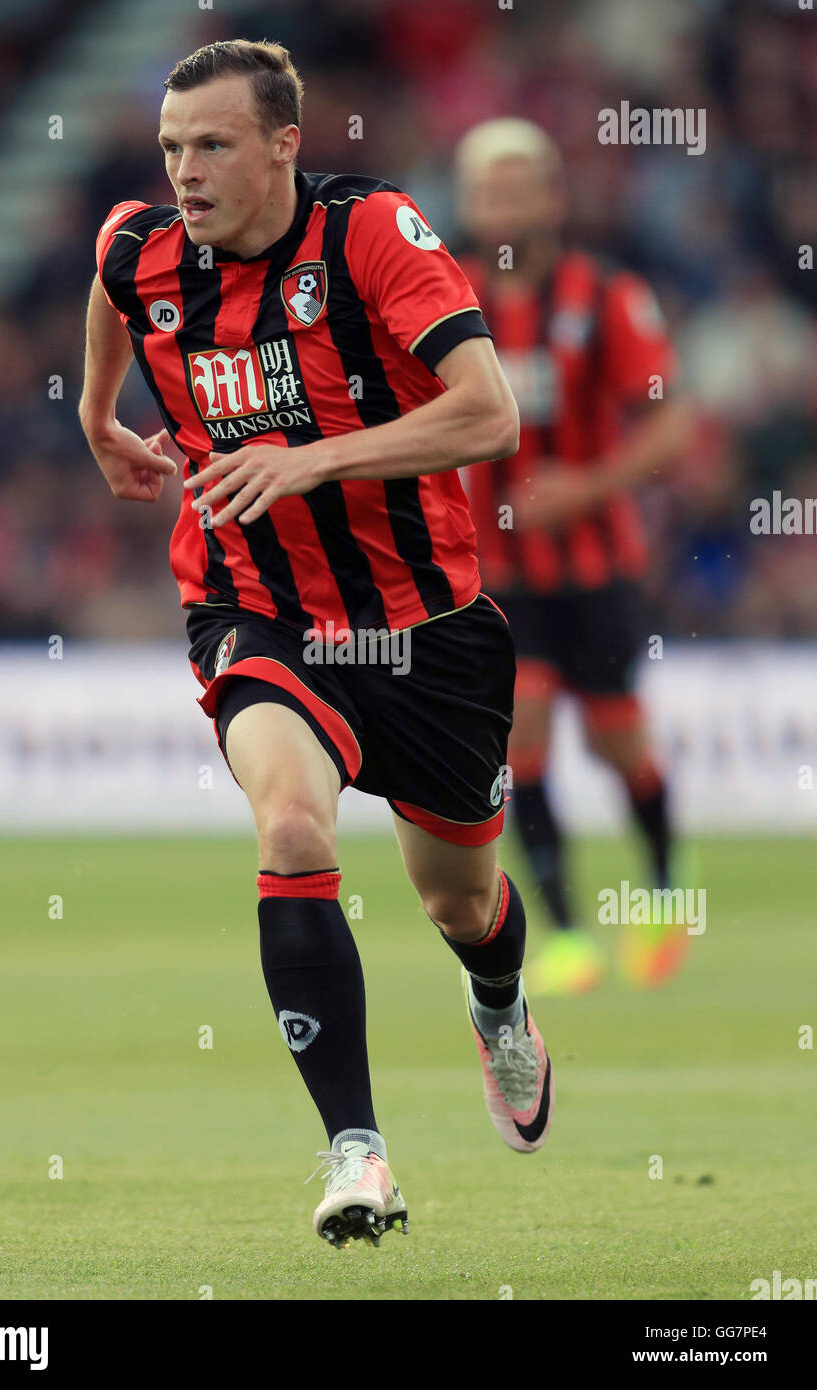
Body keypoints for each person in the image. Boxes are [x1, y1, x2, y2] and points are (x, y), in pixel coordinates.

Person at [78, 41, 553, 1249]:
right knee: (290, 824)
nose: (186, 171)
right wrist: (95, 414)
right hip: (258, 607)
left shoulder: (370, 237)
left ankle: (495, 998)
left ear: (285, 144)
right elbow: (114, 282)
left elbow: (489, 412)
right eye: (173, 147)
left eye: (215, 145)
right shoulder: (143, 249)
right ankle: (357, 1153)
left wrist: (313, 457)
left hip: (425, 626)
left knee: (460, 899)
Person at [455, 118, 691, 996]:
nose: (502, 205)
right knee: (525, 742)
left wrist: (585, 488)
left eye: (518, 187)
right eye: (486, 190)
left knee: (618, 742)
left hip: (596, 572)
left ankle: (667, 894)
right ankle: (564, 935)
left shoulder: (607, 297)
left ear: (553, 197)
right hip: (495, 578)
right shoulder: (444, 299)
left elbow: (669, 418)